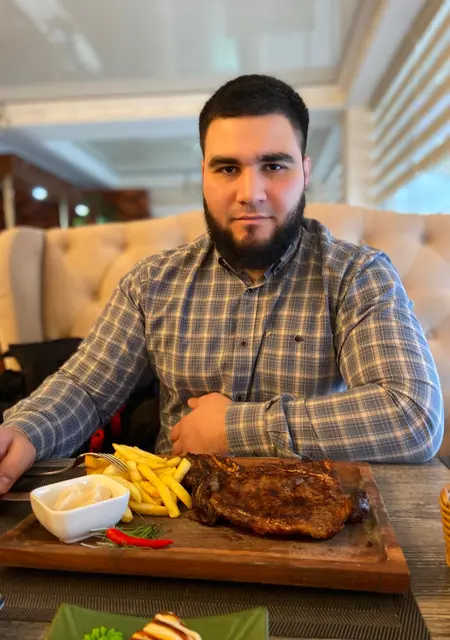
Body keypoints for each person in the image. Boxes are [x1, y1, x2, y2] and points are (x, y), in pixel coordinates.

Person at [0, 74, 443, 494]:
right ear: (204, 174)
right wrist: (23, 431)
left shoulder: (356, 275)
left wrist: (234, 428)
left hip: (317, 514)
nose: (250, 192)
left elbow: (412, 416)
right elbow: (86, 389)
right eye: (228, 168)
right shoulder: (152, 282)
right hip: (178, 522)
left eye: (274, 165)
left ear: (305, 172)